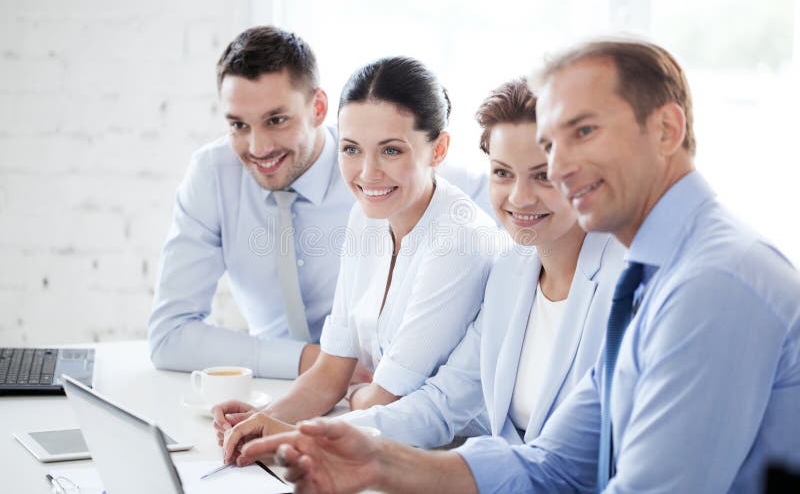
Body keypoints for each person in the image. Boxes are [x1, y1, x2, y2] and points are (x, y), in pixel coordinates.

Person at [235, 39, 800, 494]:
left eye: (584, 132)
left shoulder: (712, 283)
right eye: (554, 142)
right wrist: (377, 461)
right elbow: (554, 464)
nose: (563, 165)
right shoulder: (650, 274)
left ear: (666, 131)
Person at [147, 26, 488, 380]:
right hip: (278, 384)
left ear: (319, 108)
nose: (258, 147)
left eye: (276, 120)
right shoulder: (213, 174)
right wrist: (320, 364)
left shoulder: (384, 167)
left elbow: (512, 205)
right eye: (238, 125)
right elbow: (169, 336)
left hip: (389, 391)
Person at [212, 56, 499, 444]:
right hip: (368, 445)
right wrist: (264, 420)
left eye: (391, 151)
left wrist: (314, 419)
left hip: (444, 459)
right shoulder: (367, 219)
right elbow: (332, 370)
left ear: (439, 149)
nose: (367, 173)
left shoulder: (459, 240)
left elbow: (384, 400)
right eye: (350, 150)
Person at [328, 78, 624, 449]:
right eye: (502, 172)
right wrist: (310, 437)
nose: (520, 197)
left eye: (543, 175)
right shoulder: (510, 273)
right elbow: (444, 403)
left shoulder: (626, 283)